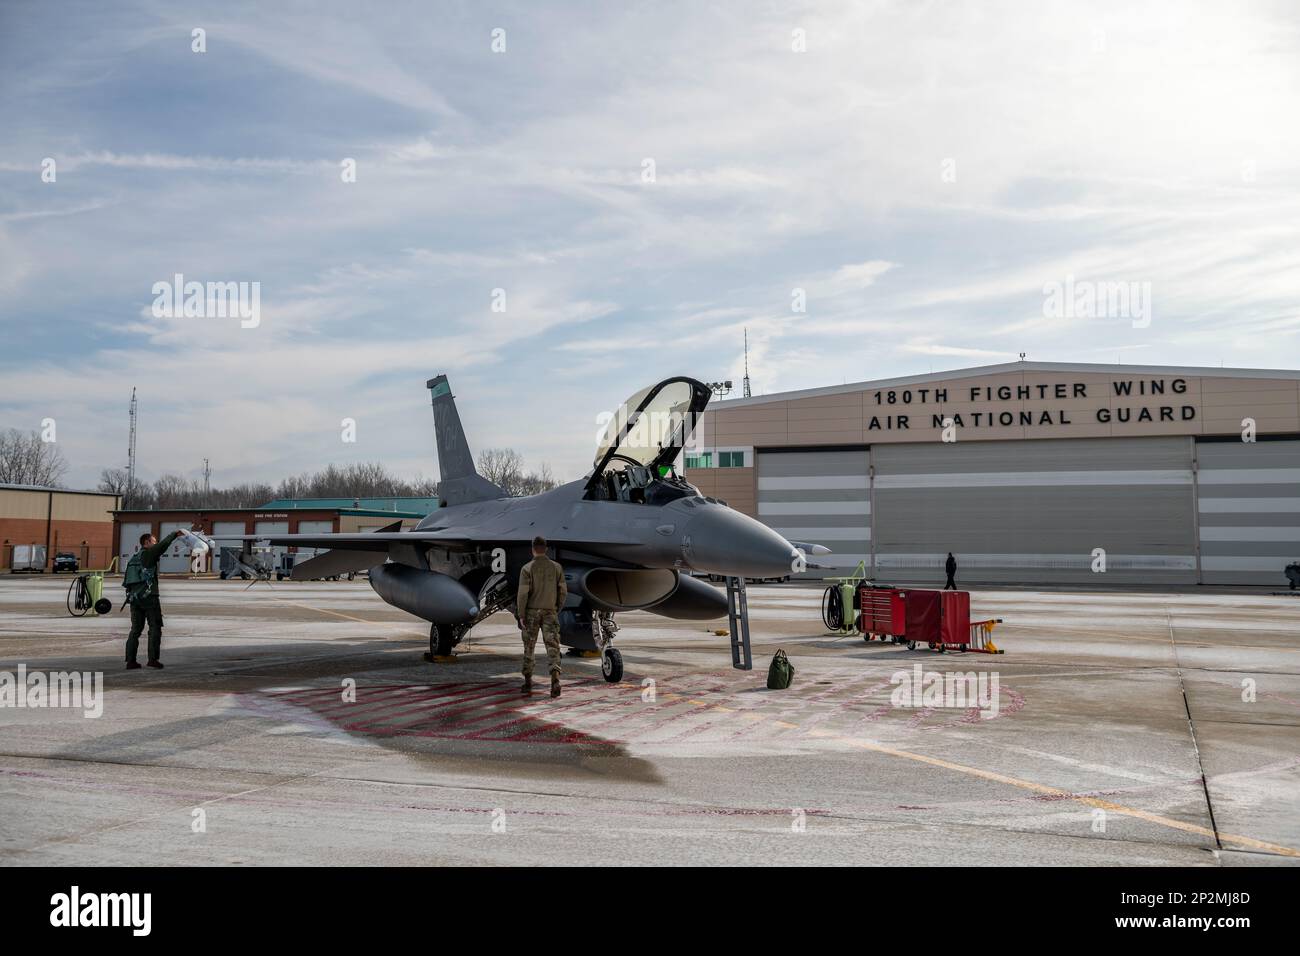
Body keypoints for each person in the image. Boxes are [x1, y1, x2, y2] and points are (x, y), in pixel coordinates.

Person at [124, 528, 187, 669]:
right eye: (153, 542)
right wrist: (174, 534)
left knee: (135, 630)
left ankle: (130, 660)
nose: (155, 544)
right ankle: (153, 659)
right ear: (147, 543)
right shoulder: (148, 554)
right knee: (155, 628)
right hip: (149, 598)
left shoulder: (134, 558)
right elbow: (162, 546)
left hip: (134, 598)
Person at [516, 535, 567, 698]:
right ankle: (555, 681)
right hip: (550, 612)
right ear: (545, 549)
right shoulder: (557, 567)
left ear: (533, 549)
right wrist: (556, 607)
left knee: (529, 647)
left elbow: (523, 594)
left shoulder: (527, 568)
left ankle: (528, 682)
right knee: (553, 646)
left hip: (531, 613)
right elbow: (563, 591)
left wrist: (521, 614)